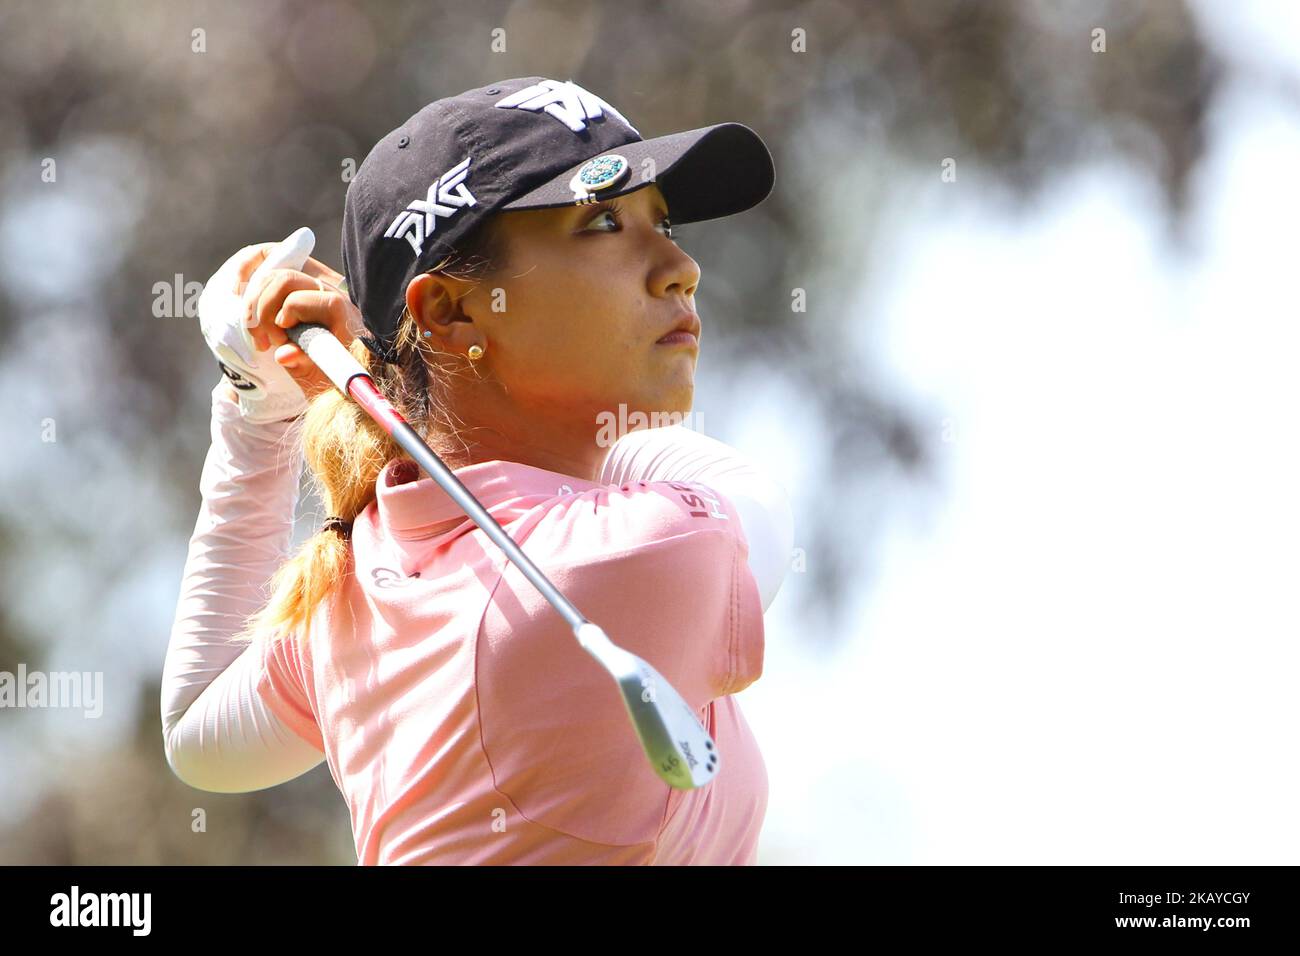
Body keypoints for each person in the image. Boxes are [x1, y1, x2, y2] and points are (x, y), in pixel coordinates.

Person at [161, 77, 794, 865]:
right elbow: (752, 502)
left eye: (659, 219)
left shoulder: (372, 569)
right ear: (453, 313)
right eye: (603, 221)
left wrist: (260, 405)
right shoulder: (633, 553)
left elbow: (196, 732)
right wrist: (366, 358)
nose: (679, 267)